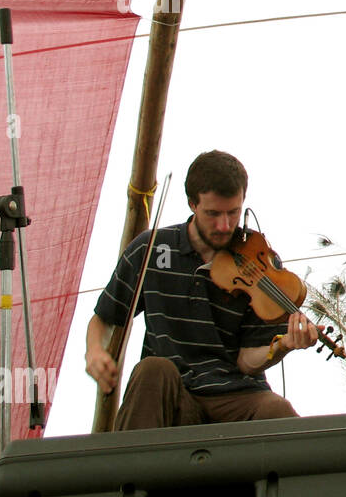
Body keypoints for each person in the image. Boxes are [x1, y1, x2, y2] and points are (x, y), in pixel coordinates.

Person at [85, 150, 320, 430]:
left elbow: (247, 361)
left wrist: (282, 346)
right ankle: (129, 471)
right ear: (192, 204)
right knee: (152, 369)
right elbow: (105, 318)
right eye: (213, 214)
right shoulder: (153, 250)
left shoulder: (262, 263)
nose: (224, 225)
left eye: (233, 213)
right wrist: (94, 353)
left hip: (236, 396)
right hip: (173, 395)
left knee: (277, 409)